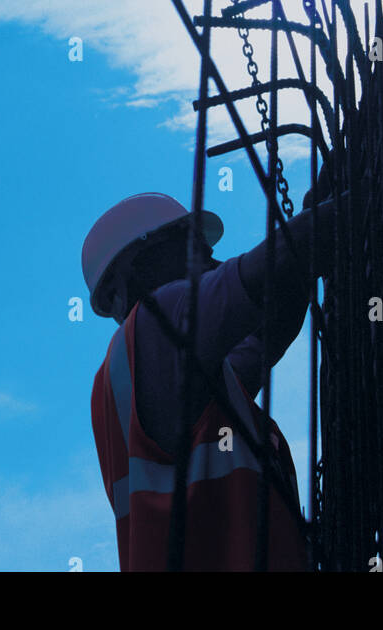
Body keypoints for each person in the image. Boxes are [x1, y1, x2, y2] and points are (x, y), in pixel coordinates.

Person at [82, 186, 336, 571]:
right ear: (140, 262)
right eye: (193, 244)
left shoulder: (146, 371)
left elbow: (266, 334)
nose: (211, 258)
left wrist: (313, 216)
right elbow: (268, 270)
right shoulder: (158, 325)